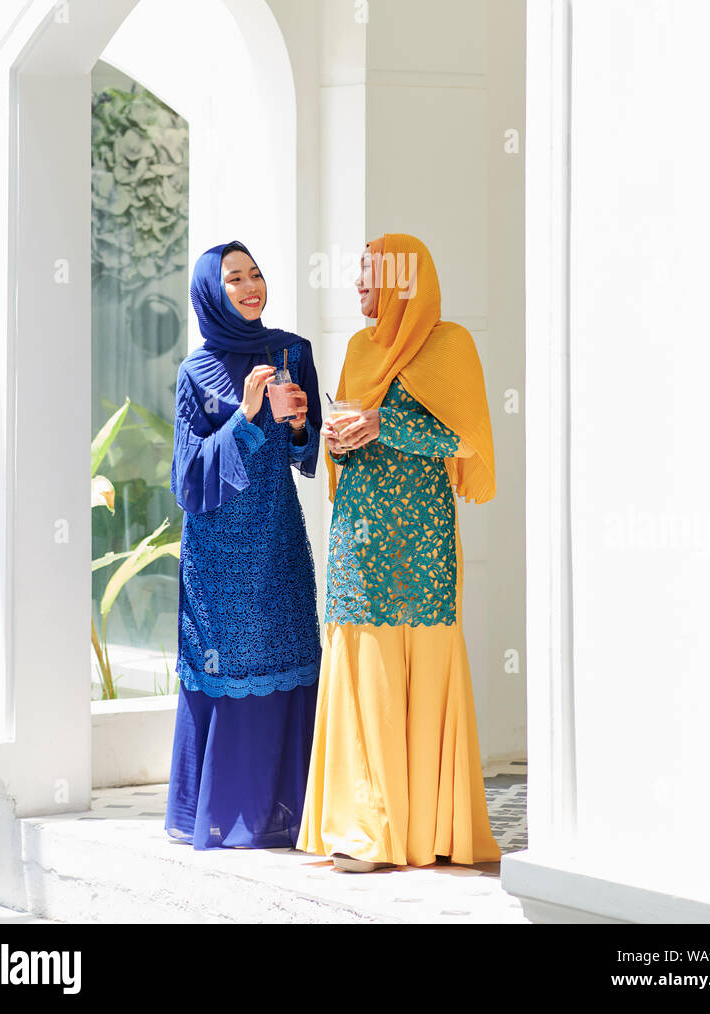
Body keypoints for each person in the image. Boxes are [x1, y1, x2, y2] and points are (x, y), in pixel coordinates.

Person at [298, 231, 501, 871]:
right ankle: (362, 828)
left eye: (368, 276)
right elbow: (345, 432)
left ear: (402, 279)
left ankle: (427, 830)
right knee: (362, 663)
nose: (357, 287)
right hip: (359, 534)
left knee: (423, 661)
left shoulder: (451, 346)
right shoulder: (359, 349)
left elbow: (466, 440)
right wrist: (337, 432)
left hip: (423, 541)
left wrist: (389, 422)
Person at [164, 240, 322, 849]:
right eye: (235, 279)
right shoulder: (194, 374)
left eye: (256, 275)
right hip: (217, 552)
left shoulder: (292, 352)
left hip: (278, 539)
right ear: (212, 291)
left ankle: (289, 813)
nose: (251, 287)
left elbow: (304, 458)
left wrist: (301, 426)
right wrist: (247, 414)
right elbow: (188, 477)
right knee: (226, 671)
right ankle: (223, 815)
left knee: (285, 660)